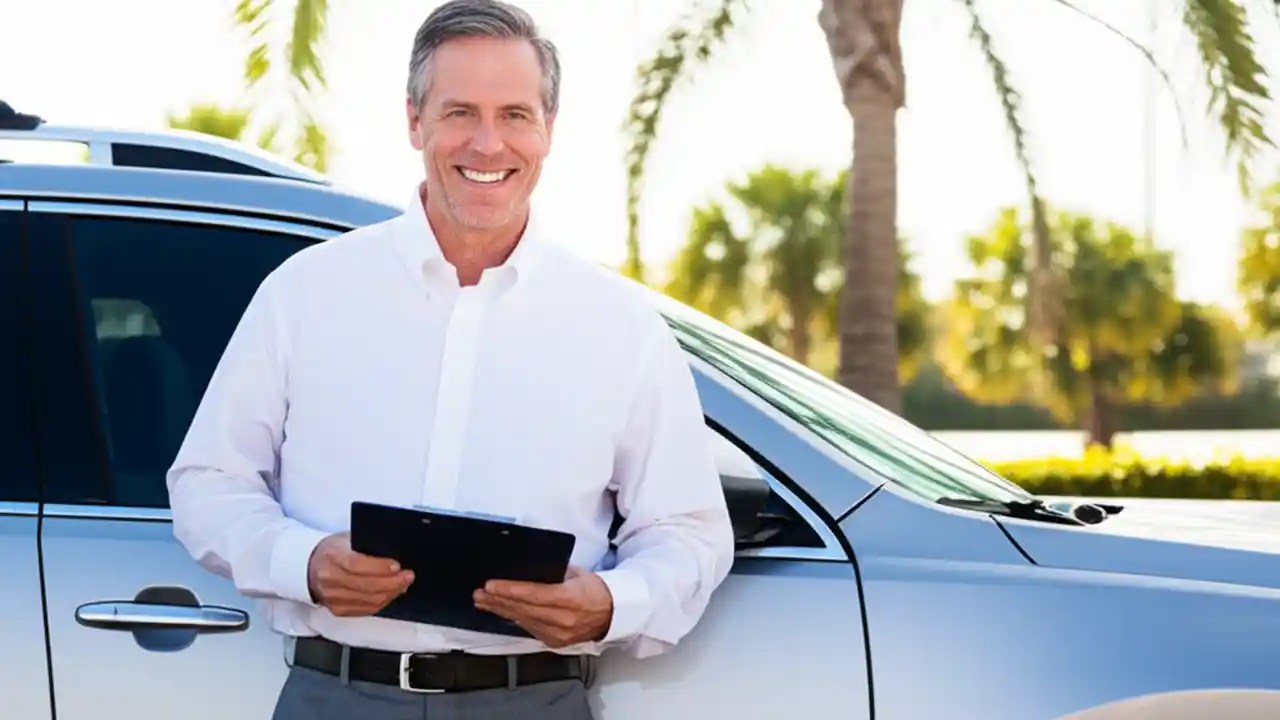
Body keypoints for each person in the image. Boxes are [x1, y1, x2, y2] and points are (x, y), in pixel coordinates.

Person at [164, 0, 736, 718]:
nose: (489, 144)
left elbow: (689, 531)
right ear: (415, 121)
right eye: (460, 111)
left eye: (516, 115)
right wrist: (301, 564)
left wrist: (613, 604)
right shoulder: (304, 295)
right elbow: (207, 482)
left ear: (549, 130)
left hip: (536, 700)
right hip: (336, 698)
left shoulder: (621, 327)